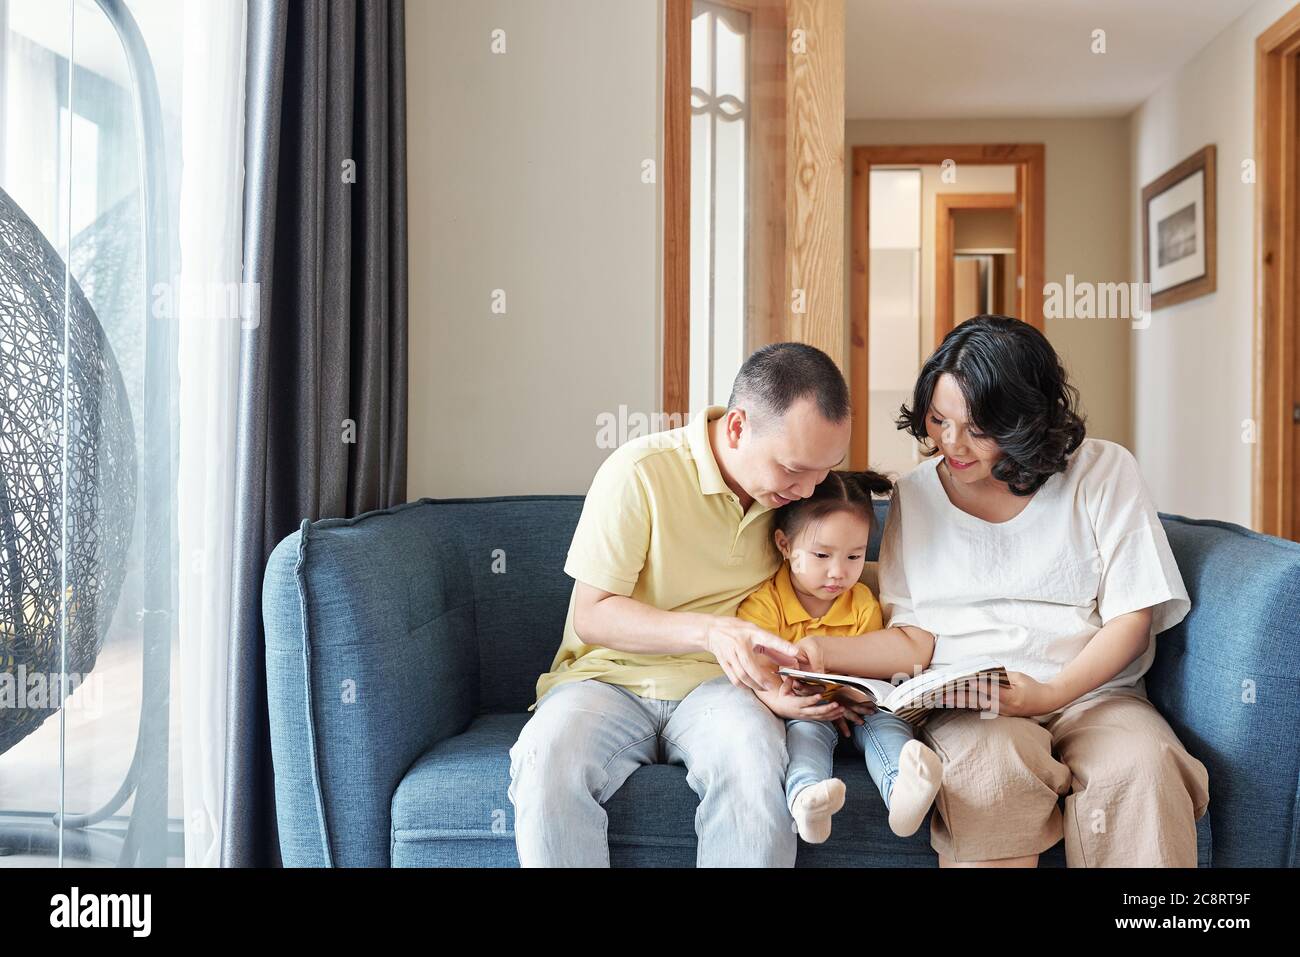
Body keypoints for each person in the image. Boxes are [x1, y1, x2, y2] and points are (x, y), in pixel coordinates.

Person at [797, 315, 1210, 867]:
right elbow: (914, 636)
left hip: (1096, 694)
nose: (950, 443)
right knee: (989, 774)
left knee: (1144, 768)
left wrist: (1050, 693)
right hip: (972, 707)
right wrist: (823, 654)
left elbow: (1132, 619)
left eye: (977, 428)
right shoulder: (915, 496)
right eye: (939, 420)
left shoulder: (1102, 471)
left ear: (1025, 423)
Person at [507, 342, 856, 867]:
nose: (809, 489)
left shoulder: (798, 500)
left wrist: (803, 685)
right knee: (546, 756)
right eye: (793, 469)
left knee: (754, 760)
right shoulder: (639, 472)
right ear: (737, 428)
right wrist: (710, 632)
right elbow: (593, 613)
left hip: (722, 689)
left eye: (824, 471)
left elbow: (840, 586)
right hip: (608, 680)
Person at [736, 469, 943, 844]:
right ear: (785, 545)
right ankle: (806, 800)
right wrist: (794, 704)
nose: (838, 572)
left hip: (858, 712)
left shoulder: (862, 602)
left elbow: (873, 674)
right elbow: (757, 677)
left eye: (854, 556)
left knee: (887, 724)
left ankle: (902, 792)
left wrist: (855, 697)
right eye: (821, 555)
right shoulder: (763, 605)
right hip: (803, 712)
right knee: (806, 734)